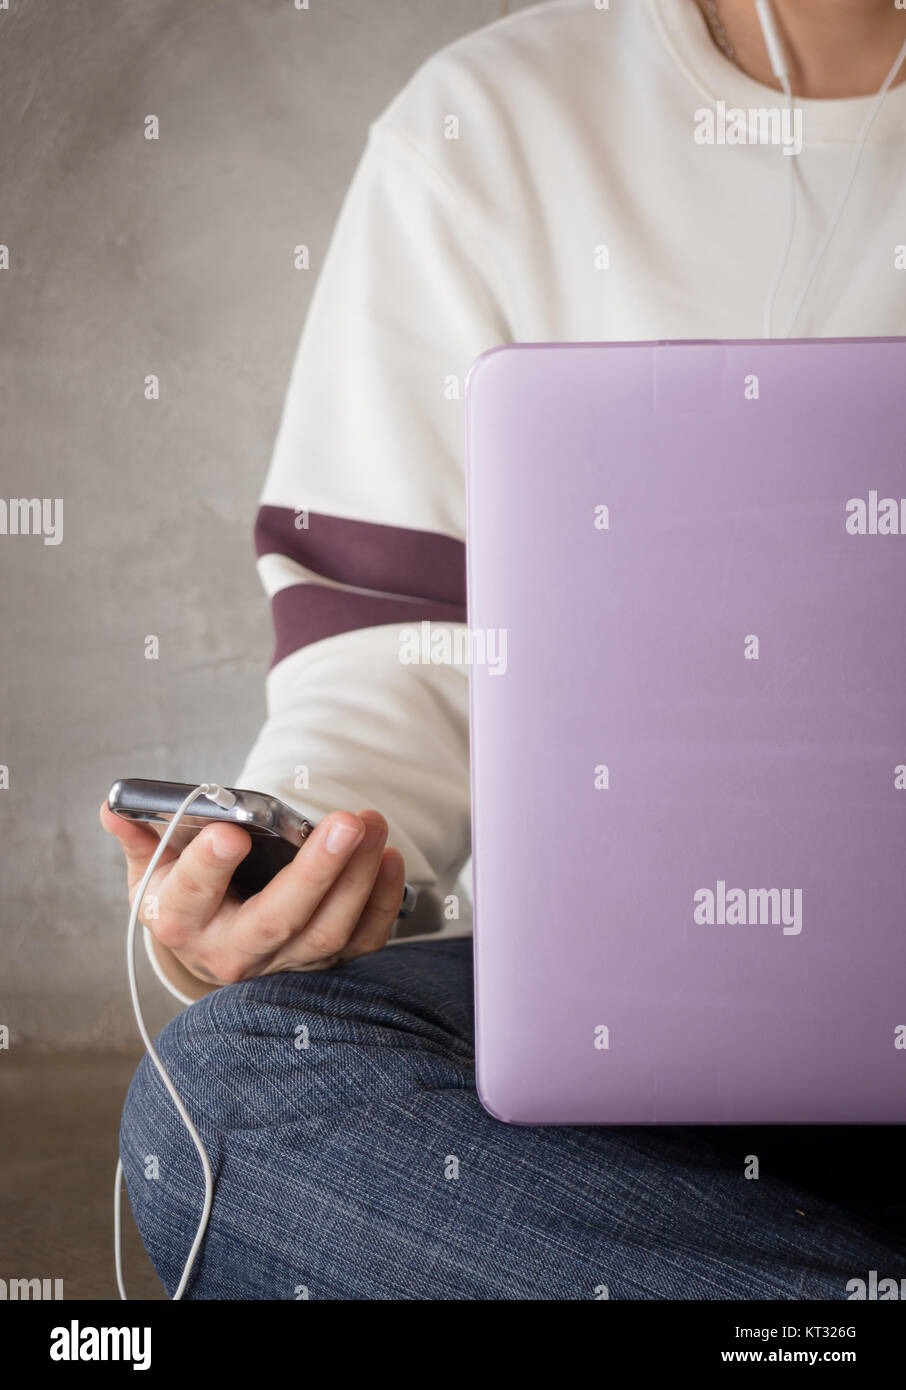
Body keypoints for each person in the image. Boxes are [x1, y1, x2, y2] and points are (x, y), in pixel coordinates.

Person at [103, 0, 906, 1298]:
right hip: (638, 1068)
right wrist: (294, 869)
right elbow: (389, 655)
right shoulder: (490, 119)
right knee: (236, 1096)